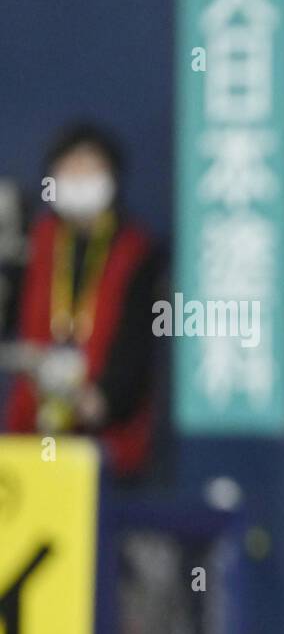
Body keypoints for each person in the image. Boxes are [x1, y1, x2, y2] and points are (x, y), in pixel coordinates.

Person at [3, 123, 165, 479]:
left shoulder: (138, 251)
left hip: (108, 443)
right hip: (30, 436)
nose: (79, 179)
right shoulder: (32, 242)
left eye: (90, 169)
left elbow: (140, 340)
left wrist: (103, 400)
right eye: (70, 169)